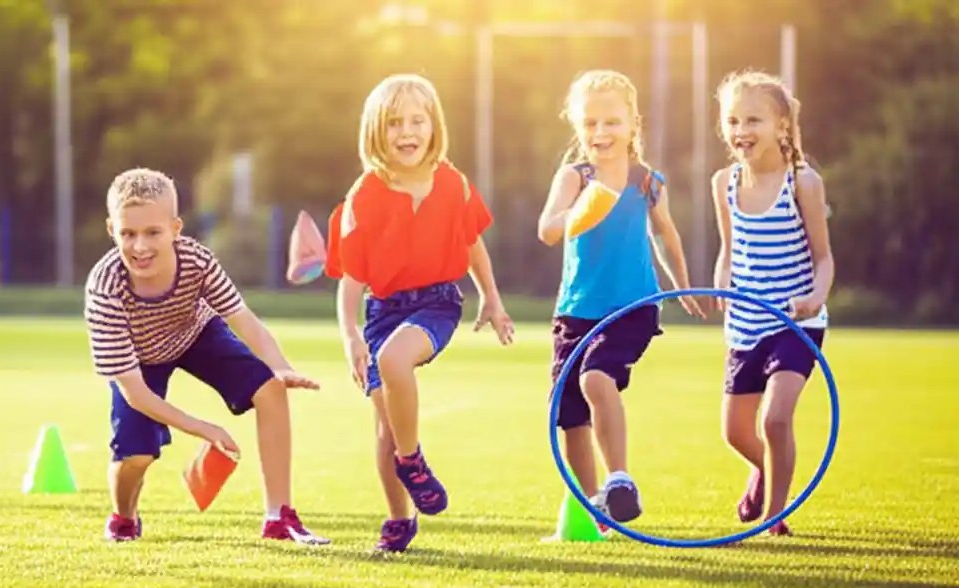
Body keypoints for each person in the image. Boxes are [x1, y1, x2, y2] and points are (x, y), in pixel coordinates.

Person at [84, 168, 329, 545]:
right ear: (111, 230)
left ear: (176, 228)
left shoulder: (197, 261)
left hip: (195, 332)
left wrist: (279, 366)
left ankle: (279, 517)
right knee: (136, 456)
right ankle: (123, 517)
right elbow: (135, 393)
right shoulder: (105, 289)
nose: (140, 246)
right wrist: (204, 428)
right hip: (139, 358)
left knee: (271, 388)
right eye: (127, 233)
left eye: (153, 232)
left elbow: (243, 319)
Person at [324, 73, 515, 553]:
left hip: (436, 302)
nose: (406, 132)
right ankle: (398, 519)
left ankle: (412, 461)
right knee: (385, 424)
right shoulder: (364, 195)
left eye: (416, 120)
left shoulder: (453, 184)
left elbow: (472, 244)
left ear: (434, 126)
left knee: (393, 361)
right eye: (393, 123)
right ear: (376, 132)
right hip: (382, 311)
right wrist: (350, 336)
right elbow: (350, 278)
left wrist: (491, 296)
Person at [536, 69, 705, 528]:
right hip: (576, 309)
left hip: (632, 306)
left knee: (596, 377)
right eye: (590, 123)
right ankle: (597, 508)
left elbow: (665, 233)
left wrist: (682, 283)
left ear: (633, 124)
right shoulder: (575, 177)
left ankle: (620, 479)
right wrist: (580, 210)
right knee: (569, 413)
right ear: (576, 127)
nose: (601, 132)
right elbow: (548, 229)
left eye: (611, 122)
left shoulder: (647, 181)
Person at [711, 70, 834, 536]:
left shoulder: (803, 183)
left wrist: (813, 299)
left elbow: (824, 259)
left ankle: (774, 518)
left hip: (795, 321)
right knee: (737, 433)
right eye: (733, 120)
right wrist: (720, 280)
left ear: (782, 125)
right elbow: (729, 248)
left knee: (776, 417)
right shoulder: (723, 182)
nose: (741, 131)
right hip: (744, 323)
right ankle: (764, 470)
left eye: (754, 120)